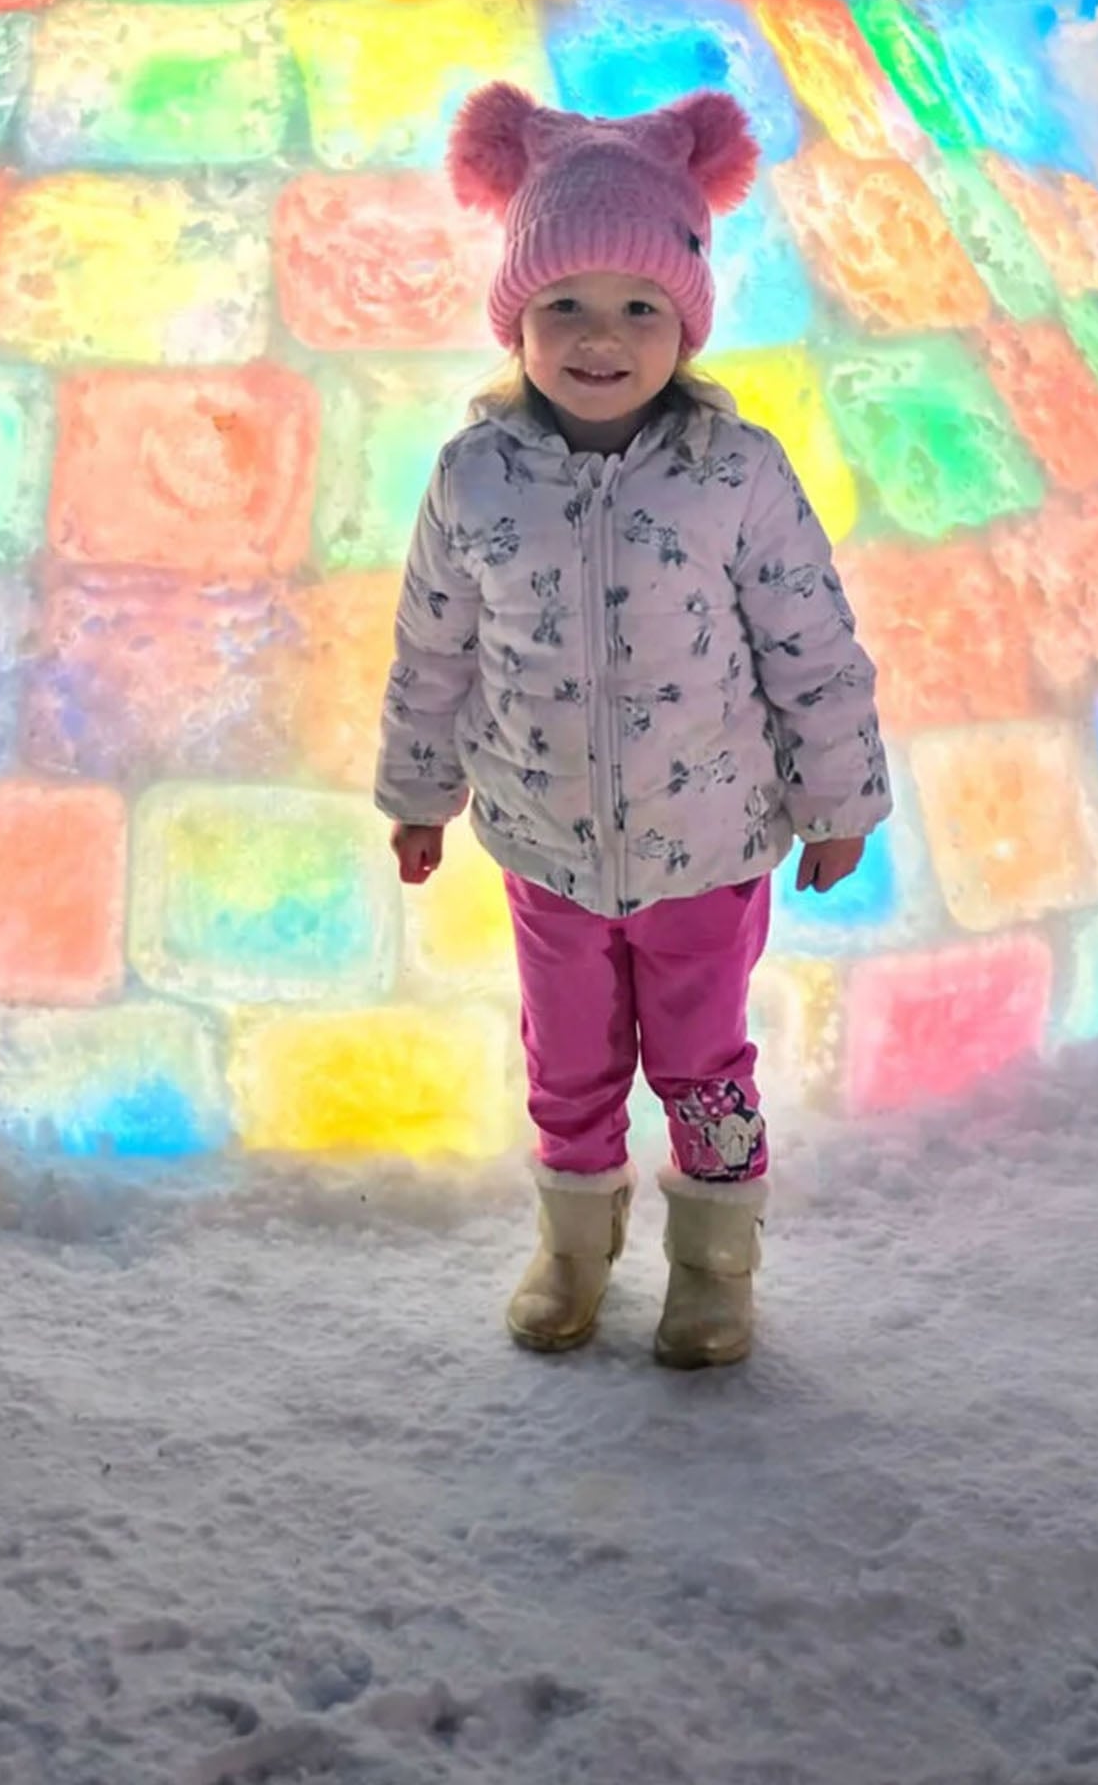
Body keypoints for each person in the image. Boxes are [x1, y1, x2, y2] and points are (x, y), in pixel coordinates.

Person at [377, 81, 891, 1372]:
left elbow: (810, 644)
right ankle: (575, 1245)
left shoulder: (735, 473)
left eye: (639, 309)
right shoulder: (475, 476)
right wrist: (421, 793)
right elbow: (434, 645)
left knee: (705, 1063)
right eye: (564, 305)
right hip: (546, 848)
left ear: (687, 322)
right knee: (566, 1062)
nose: (599, 338)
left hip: (706, 848)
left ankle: (714, 1265)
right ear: (517, 319)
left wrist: (839, 801)